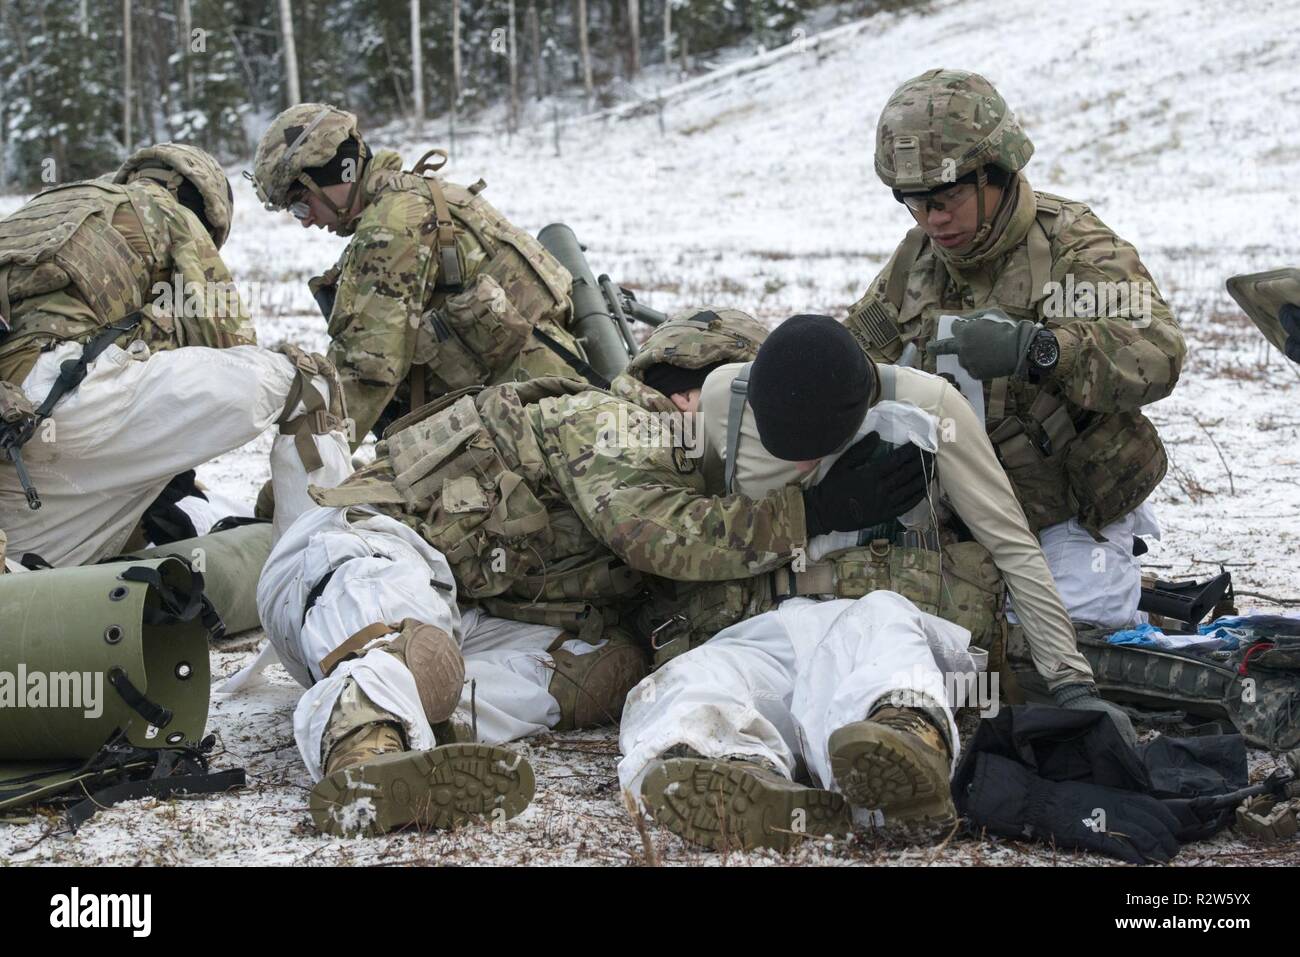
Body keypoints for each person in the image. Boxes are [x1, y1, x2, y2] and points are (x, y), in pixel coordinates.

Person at [250, 308, 918, 837]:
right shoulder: (613, 423)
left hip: (473, 618)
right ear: (692, 397)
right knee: (409, 627)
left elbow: (703, 606)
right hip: (348, 555)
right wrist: (808, 513)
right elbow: (651, 532)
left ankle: (416, 742)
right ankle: (364, 747)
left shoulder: (702, 498)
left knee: (598, 665)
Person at [622, 315, 1133, 852]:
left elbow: (1012, 545)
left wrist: (1072, 681)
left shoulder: (933, 407)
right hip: (775, 622)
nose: (798, 463)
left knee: (883, 636)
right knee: (698, 674)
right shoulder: (725, 397)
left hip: (886, 614)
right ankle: (739, 770)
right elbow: (701, 525)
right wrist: (817, 508)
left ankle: (905, 737)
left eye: (810, 450)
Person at [845, 69, 1185, 629]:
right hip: (965, 505)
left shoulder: (1071, 245)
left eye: (949, 195)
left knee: (1072, 631)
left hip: (1071, 506)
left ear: (997, 173)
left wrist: (1045, 350)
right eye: (915, 201)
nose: (934, 219)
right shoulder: (919, 261)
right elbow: (860, 355)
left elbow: (1158, 352)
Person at [0, 144, 339, 568]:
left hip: (15, 437)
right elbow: (231, 346)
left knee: (36, 569)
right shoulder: (164, 208)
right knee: (301, 381)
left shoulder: (39, 211)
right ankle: (317, 564)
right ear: (199, 201)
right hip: (67, 403)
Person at [250, 103, 593, 448]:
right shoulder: (431, 194)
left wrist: (294, 479)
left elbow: (363, 374)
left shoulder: (392, 226)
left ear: (335, 175)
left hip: (527, 428)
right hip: (553, 402)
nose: (306, 220)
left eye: (300, 204)